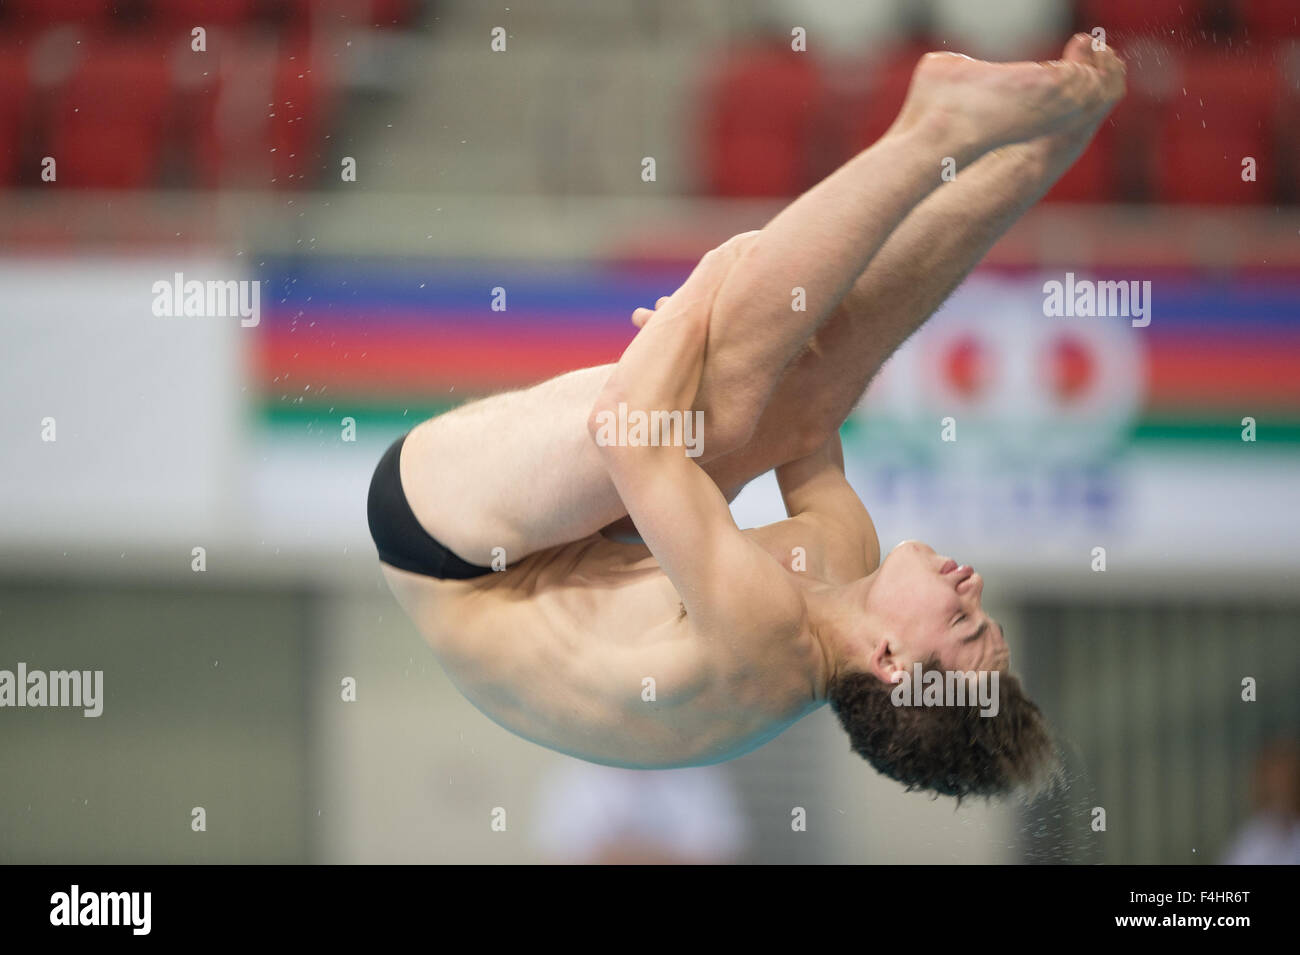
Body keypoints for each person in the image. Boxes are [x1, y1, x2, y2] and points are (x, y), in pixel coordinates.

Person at [368, 37, 1126, 799]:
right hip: (576, 544)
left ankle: (933, 130)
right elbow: (816, 391)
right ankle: (1029, 163)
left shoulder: (765, 650)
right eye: (983, 612)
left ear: (892, 660)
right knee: (802, 398)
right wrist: (1032, 162)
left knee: (715, 418)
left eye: (963, 622)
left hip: (448, 549)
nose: (973, 584)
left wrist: (702, 291)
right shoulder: (845, 558)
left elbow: (624, 428)